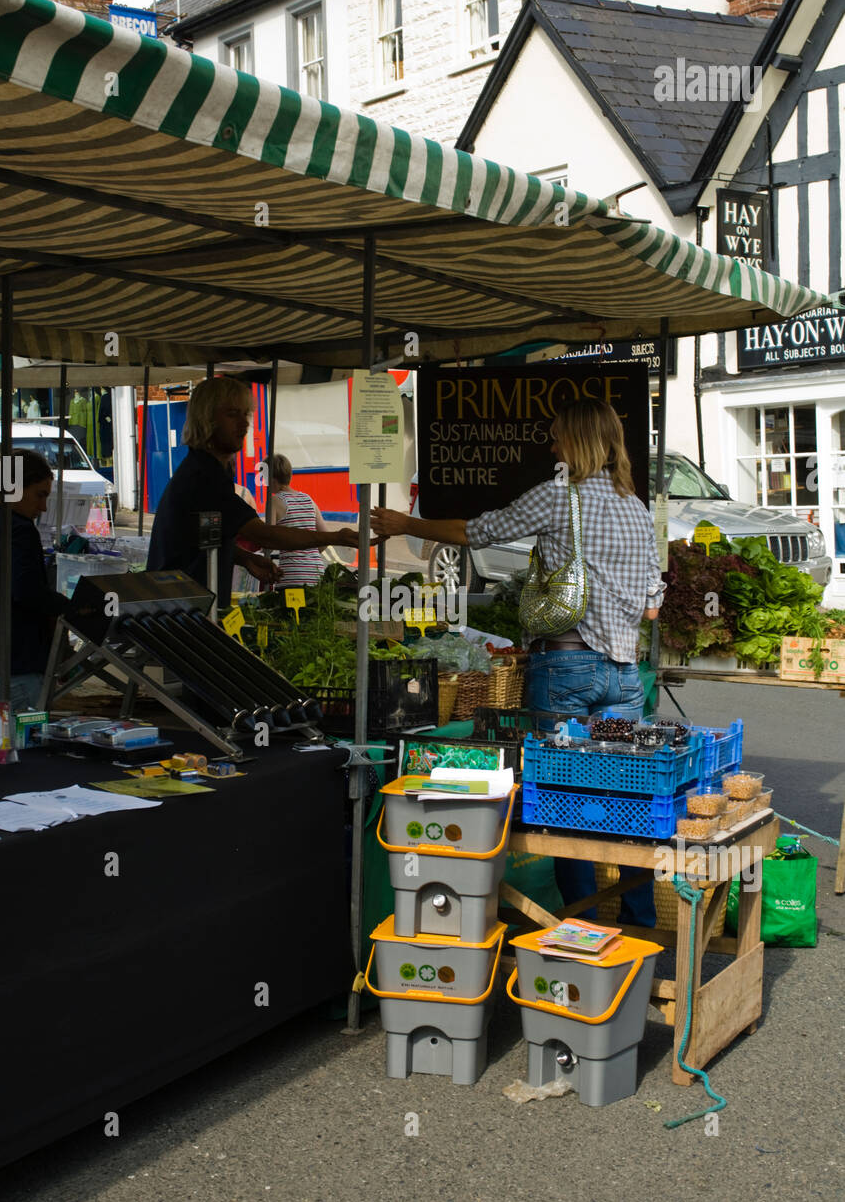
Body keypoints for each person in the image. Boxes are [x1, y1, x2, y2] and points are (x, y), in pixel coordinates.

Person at [370, 397, 665, 926]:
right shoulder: (636, 507)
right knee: (625, 793)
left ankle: (579, 925)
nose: (550, 447)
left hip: (567, 664)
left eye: (556, 438)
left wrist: (404, 524)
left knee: (563, 797)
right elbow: (652, 600)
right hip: (625, 672)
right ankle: (639, 921)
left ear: (576, 442)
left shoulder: (559, 497)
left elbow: (475, 533)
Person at [147, 376, 368, 607]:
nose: (244, 424)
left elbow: (203, 538)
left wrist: (245, 558)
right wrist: (337, 537)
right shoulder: (203, 476)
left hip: (185, 601)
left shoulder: (212, 469)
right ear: (206, 419)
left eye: (246, 414)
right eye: (232, 414)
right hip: (177, 605)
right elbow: (264, 534)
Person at [0, 449, 71, 712]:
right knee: (17, 750)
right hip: (13, 668)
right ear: (15, 488)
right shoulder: (17, 529)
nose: (43, 507)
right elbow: (27, 591)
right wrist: (72, 606)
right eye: (40, 495)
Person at [269, 454, 329, 587]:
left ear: (272, 480)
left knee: (291, 608)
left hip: (292, 575)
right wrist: (307, 555)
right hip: (316, 573)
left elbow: (268, 539)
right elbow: (325, 538)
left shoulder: (274, 501)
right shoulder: (308, 499)